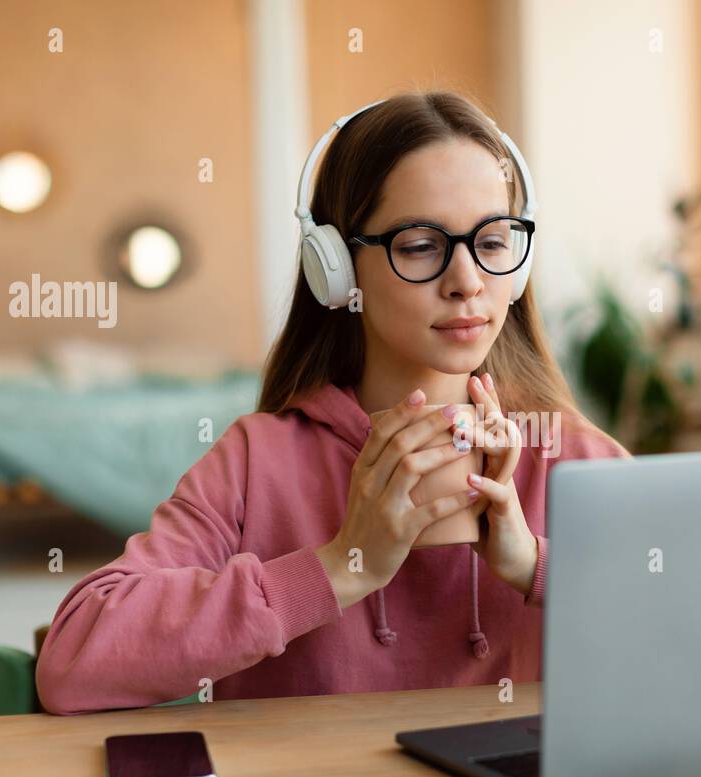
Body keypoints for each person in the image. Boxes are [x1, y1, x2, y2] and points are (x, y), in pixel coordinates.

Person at [36, 90, 629, 716]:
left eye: (493, 240)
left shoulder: (571, 456)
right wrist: (342, 567)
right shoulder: (256, 461)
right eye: (421, 245)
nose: (468, 281)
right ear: (338, 268)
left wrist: (534, 564)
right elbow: (74, 664)